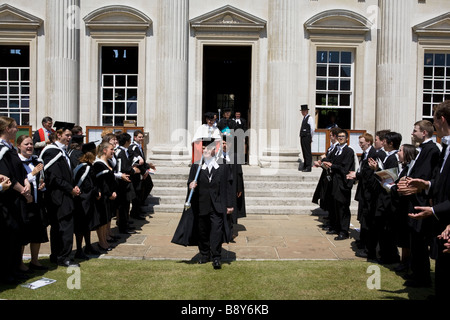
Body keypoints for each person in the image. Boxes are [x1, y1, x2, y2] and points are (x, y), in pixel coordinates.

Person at [405, 100, 450, 299]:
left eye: (434, 121)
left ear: (441, 119)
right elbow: (439, 179)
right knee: (441, 260)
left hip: (442, 211)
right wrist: (427, 185)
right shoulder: (444, 148)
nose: (434, 126)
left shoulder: (435, 148)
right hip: (439, 211)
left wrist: (433, 209)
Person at [173, 139, 234, 269]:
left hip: (217, 205)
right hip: (201, 204)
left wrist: (229, 204)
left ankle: (216, 257)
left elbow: (228, 186)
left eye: (208, 149)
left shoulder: (223, 165)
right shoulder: (196, 166)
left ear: (215, 150)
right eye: (204, 148)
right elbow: (190, 182)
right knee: (202, 231)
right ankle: (204, 254)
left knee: (217, 230)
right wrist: (190, 184)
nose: (205, 151)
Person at [396, 120, 440, 286]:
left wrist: (413, 184)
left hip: (420, 199)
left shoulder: (432, 149)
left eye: (415, 131)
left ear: (425, 133)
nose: (412, 134)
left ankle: (422, 277)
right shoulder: (421, 149)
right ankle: (416, 272)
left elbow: (426, 173)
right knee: (414, 239)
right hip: (412, 199)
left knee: (420, 240)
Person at [40, 121, 80, 268]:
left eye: (70, 135)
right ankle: (64, 257)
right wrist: (70, 189)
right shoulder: (52, 151)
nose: (69, 138)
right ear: (58, 134)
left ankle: (56, 255)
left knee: (59, 228)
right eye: (67, 135)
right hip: (59, 196)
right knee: (64, 228)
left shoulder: (62, 151)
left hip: (64, 194)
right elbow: (54, 177)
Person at [0, 117, 32, 283]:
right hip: (7, 200)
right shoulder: (1, 150)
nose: (17, 129)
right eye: (14, 127)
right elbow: (6, 176)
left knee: (16, 236)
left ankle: (14, 268)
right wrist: (23, 191)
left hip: (17, 198)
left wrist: (26, 181)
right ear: (7, 129)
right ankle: (6, 273)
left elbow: (20, 170)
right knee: (8, 237)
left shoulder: (10, 148)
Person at [368, 131, 403, 264]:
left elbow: (391, 178)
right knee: (383, 228)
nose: (382, 144)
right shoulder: (388, 156)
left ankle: (389, 256)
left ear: (390, 143)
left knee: (387, 230)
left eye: (385, 142)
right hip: (382, 196)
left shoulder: (393, 158)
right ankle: (385, 254)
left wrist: (377, 170)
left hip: (388, 198)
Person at [16, 135, 49, 271]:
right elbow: (16, 180)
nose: (29, 146)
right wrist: (32, 174)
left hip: (37, 202)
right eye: (26, 144)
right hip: (23, 204)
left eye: (31, 144)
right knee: (23, 235)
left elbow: (41, 179)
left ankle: (35, 261)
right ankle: (20, 263)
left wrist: (43, 185)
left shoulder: (36, 160)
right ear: (19, 146)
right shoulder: (16, 163)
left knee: (38, 233)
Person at [347, 132, 378, 255]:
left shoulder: (373, 154)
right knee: (362, 217)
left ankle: (366, 245)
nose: (360, 145)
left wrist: (357, 175)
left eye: (362, 142)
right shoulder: (365, 153)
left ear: (368, 142)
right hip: (363, 190)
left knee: (367, 218)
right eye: (359, 142)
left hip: (369, 191)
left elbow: (369, 173)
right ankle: (362, 241)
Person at [321, 129, 355, 240]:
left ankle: (344, 231)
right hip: (334, 182)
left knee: (343, 207)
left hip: (343, 183)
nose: (340, 138)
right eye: (339, 136)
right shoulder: (336, 149)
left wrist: (332, 165)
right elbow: (331, 161)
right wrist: (324, 162)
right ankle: (336, 227)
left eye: (342, 136)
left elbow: (345, 167)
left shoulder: (348, 151)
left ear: (347, 138)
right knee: (335, 206)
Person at [390, 144, 418, 273]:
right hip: (400, 206)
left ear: (407, 153)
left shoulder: (410, 169)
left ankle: (406, 262)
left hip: (407, 207)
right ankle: (404, 261)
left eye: (400, 151)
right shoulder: (405, 168)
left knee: (407, 237)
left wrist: (393, 187)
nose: (398, 153)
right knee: (403, 236)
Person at [72, 142, 102, 259]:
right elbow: (88, 185)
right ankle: (79, 250)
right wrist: (96, 192)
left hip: (86, 200)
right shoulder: (86, 168)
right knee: (81, 226)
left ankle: (88, 246)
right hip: (83, 201)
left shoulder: (82, 165)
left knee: (86, 225)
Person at [313, 127, 340, 230]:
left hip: (332, 176)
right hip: (326, 175)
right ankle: (329, 218)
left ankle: (332, 220)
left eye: (331, 135)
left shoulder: (337, 148)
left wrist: (324, 159)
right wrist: (321, 163)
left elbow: (331, 162)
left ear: (334, 136)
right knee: (326, 196)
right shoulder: (331, 147)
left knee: (330, 198)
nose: (329, 137)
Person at [93, 142, 118, 252]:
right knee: (102, 220)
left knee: (107, 219)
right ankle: (102, 242)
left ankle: (105, 240)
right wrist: (108, 193)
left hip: (109, 197)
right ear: (104, 150)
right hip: (102, 197)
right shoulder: (98, 164)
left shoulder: (108, 162)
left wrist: (114, 192)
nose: (113, 151)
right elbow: (101, 183)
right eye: (111, 149)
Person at [221, 139, 246, 240]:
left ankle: (230, 232)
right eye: (223, 143)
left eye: (227, 143)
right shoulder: (217, 157)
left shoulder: (235, 156)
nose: (225, 145)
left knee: (231, 211)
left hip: (232, 187)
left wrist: (239, 188)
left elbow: (239, 173)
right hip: (221, 187)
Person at [128, 130, 155, 220]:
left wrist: (148, 166)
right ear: (134, 137)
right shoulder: (133, 147)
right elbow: (135, 160)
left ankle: (139, 207)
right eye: (139, 137)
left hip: (143, 171)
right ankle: (135, 212)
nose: (141, 138)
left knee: (147, 186)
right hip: (137, 173)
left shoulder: (139, 147)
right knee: (138, 192)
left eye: (142, 137)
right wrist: (144, 171)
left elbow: (142, 161)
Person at [116, 133, 138, 234]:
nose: (130, 142)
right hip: (122, 183)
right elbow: (122, 167)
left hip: (126, 181)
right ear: (126, 142)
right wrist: (133, 170)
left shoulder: (124, 151)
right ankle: (123, 227)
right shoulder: (120, 152)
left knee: (126, 204)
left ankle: (125, 223)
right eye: (129, 141)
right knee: (123, 205)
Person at [299, 104, 315, 172]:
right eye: (302, 111)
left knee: (307, 152)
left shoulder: (310, 118)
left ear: (306, 111)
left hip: (307, 136)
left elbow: (312, 128)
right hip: (303, 136)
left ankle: (308, 166)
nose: (302, 112)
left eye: (304, 111)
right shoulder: (304, 118)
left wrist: (311, 136)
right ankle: (305, 165)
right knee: (304, 151)